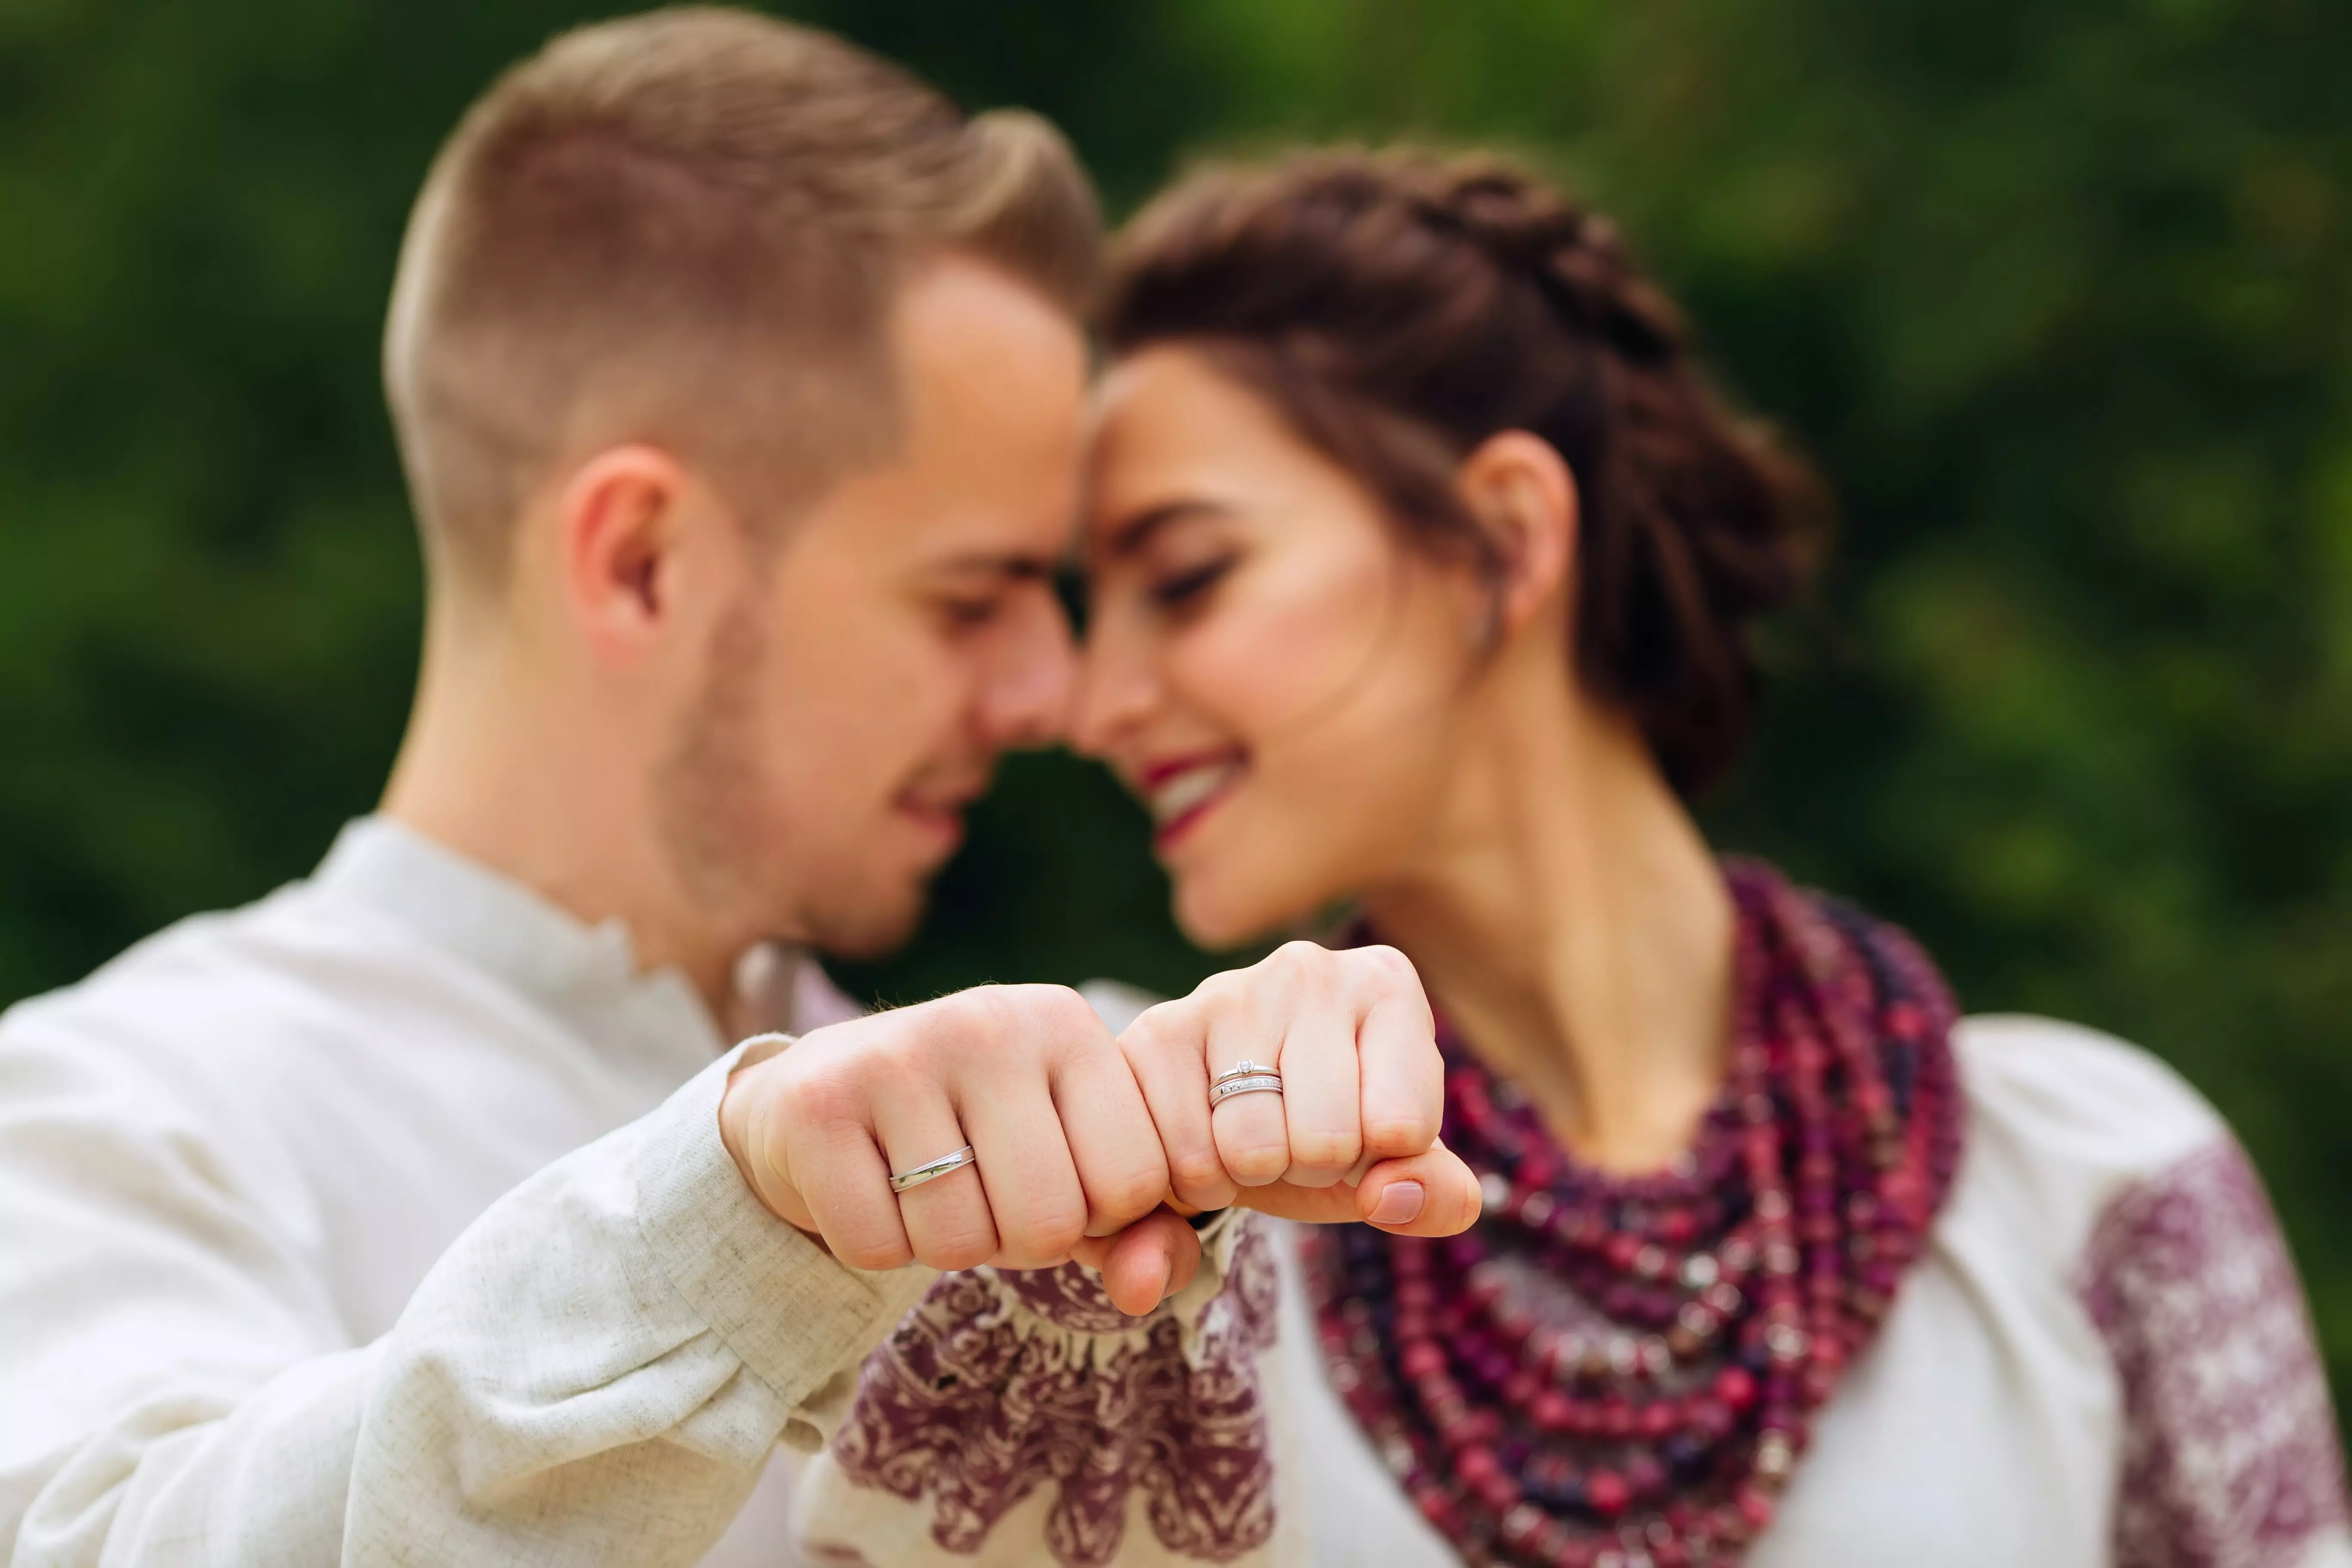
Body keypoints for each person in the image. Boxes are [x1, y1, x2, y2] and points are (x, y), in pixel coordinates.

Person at [0, 20, 1482, 1567]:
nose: (1054, 693)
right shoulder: (106, 1115)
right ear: (641, 562)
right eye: (971, 597)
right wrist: (723, 1237)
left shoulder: (1085, 1145)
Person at [996, 149, 2340, 1567]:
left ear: (1506, 540)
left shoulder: (2090, 1185)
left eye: (1190, 575)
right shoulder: (1149, 1209)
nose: (1093, 704)